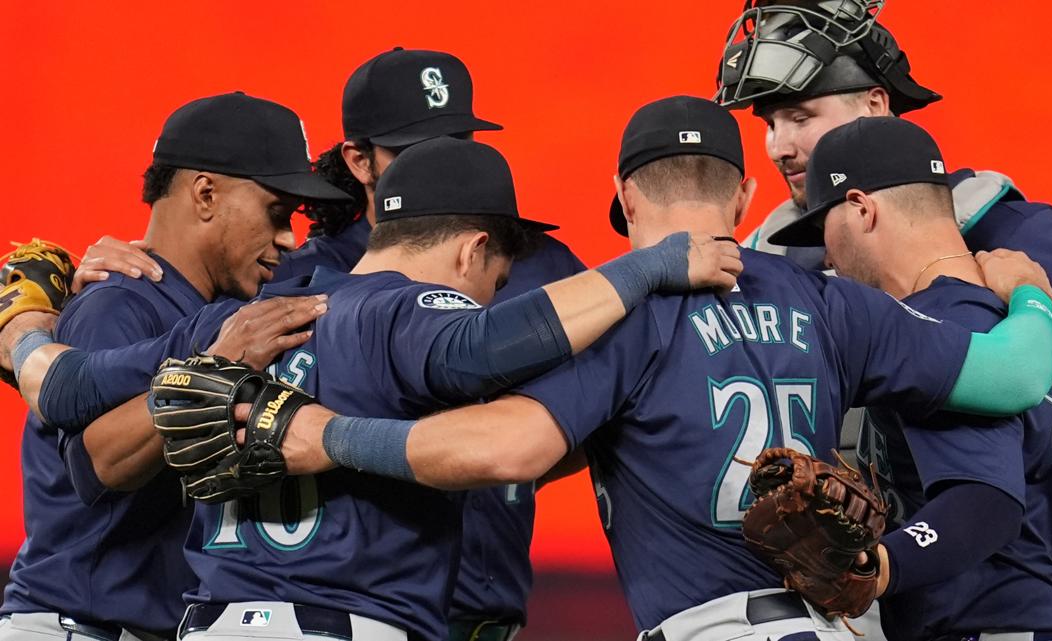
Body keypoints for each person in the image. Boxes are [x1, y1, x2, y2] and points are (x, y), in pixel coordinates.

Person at [252, 96, 1052, 641]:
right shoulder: (828, 301)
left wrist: (333, 438)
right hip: (835, 626)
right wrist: (1029, 296)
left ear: (626, 196)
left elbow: (508, 451)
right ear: (745, 195)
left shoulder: (623, 316)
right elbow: (1013, 377)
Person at [1, 135, 744, 641]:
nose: (494, 290)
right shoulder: (406, 310)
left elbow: (65, 393)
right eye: (499, 275)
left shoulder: (243, 319)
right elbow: (478, 347)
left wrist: (25, 325)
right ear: (473, 248)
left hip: (214, 618)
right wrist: (647, 268)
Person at [54, 48, 587, 639]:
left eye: (458, 138)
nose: (443, 160)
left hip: (479, 602)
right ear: (359, 160)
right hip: (340, 598)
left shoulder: (532, 259)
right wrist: (67, 297)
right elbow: (125, 413)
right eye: (414, 147)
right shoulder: (283, 278)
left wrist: (506, 448)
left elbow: (618, 393)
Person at [0, 92, 349, 641]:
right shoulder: (118, 302)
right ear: (205, 194)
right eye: (276, 213)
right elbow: (101, 467)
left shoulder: (213, 307)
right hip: (81, 627)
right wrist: (213, 369)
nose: (288, 237)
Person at [777, 115, 1052, 640]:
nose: (824, 253)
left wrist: (877, 565)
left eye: (821, 226)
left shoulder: (936, 330)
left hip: (988, 625)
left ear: (861, 209)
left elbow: (985, 504)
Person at [714, 2, 1052, 378]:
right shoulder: (773, 252)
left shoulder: (1002, 228)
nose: (778, 148)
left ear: (876, 106)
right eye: (770, 124)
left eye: (800, 117)